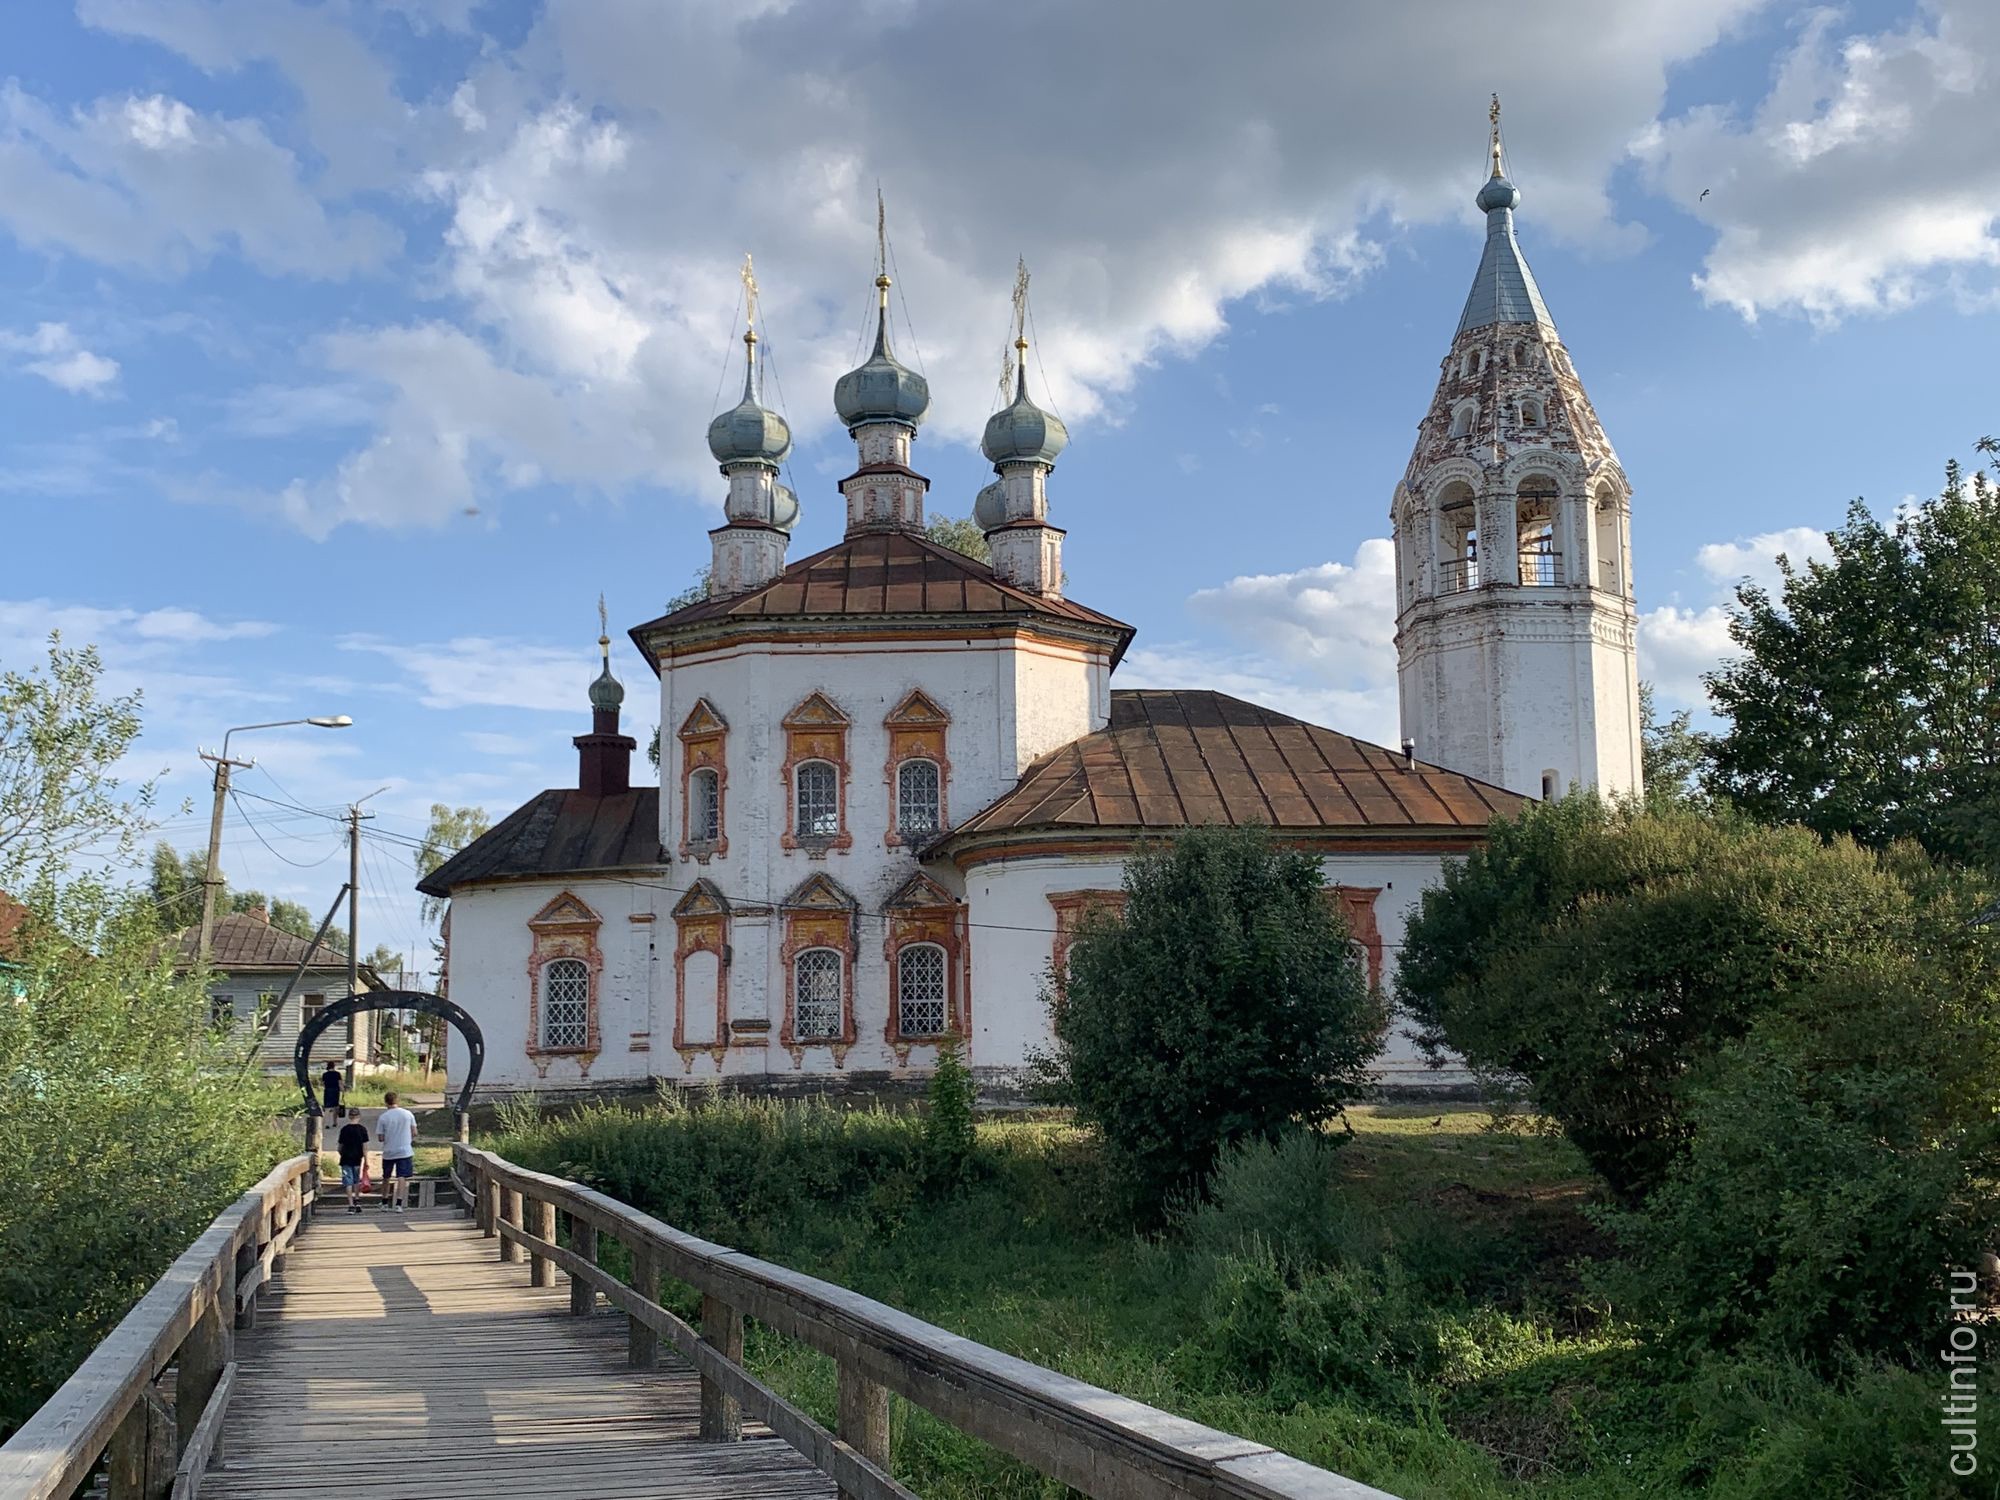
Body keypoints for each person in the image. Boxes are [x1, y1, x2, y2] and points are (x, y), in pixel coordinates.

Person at [376, 1091, 417, 1213]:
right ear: (397, 1101)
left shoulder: (383, 1117)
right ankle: (399, 1204)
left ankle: (384, 1202)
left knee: (386, 1177)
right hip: (404, 1151)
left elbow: (380, 1138)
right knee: (402, 1177)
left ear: (386, 1102)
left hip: (389, 1151)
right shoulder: (407, 1114)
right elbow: (414, 1132)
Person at [336, 1107, 369, 1215]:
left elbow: (339, 1147)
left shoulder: (344, 1129)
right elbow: (365, 1147)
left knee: (348, 1182)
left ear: (349, 1116)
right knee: (356, 1180)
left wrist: (342, 1154)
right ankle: (357, 1200)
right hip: (357, 1159)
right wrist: (366, 1160)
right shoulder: (362, 1129)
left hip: (345, 1159)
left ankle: (350, 1204)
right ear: (359, 1116)